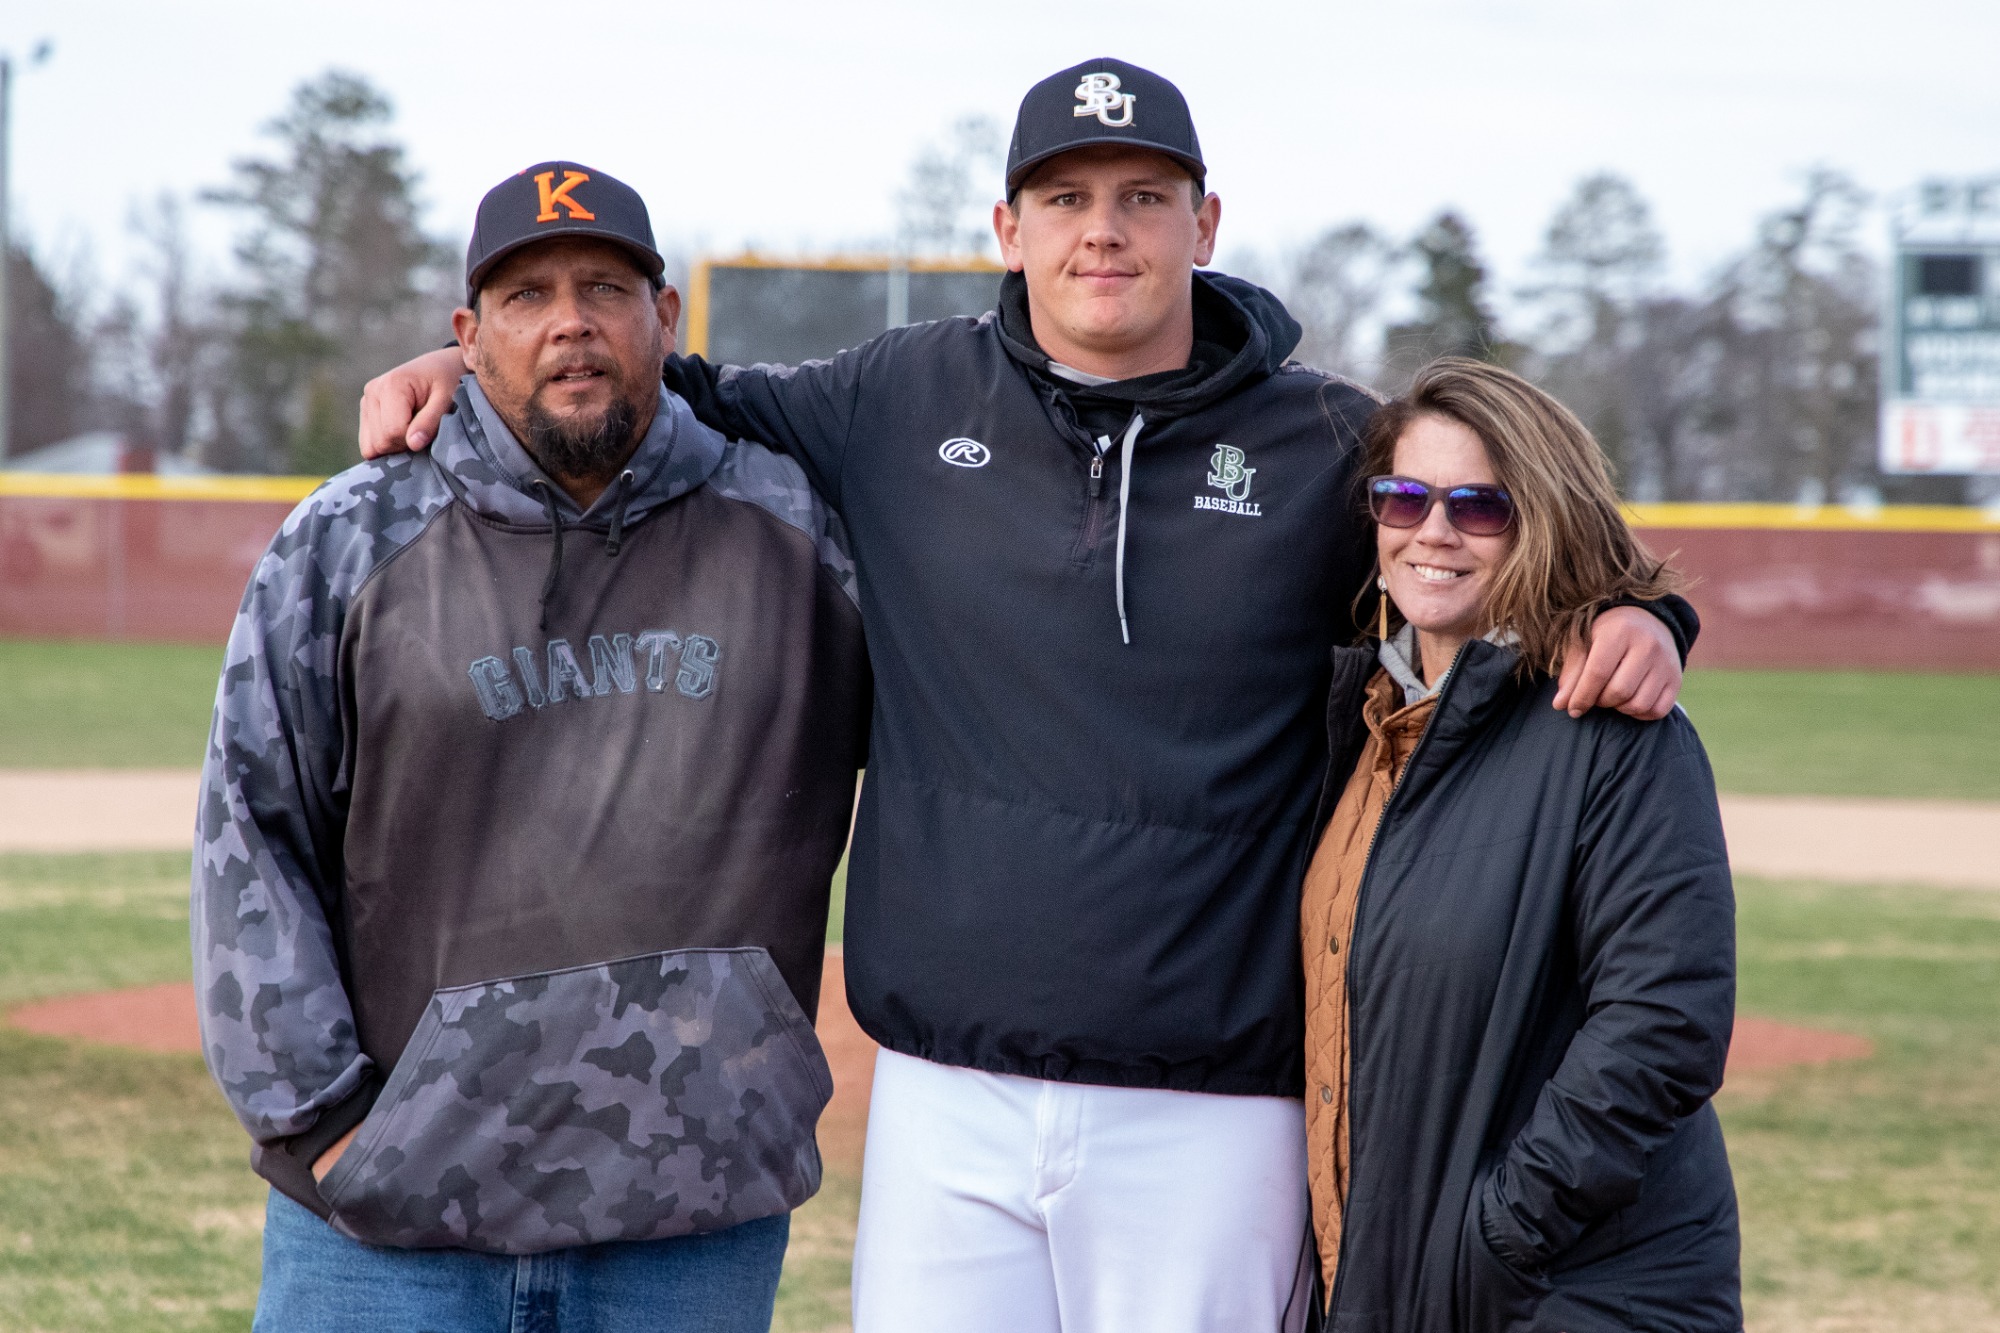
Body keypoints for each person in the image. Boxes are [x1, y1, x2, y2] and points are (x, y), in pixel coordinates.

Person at [358, 62, 1694, 1332]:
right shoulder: (896, 394)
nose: (1099, 233)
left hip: (1215, 1103)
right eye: (1064, 198)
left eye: (1141, 198)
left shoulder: (1324, 442)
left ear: (1205, 222)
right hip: (948, 1098)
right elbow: (651, 397)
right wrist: (460, 378)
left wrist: (1645, 608)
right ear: (1007, 225)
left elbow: (1496, 534)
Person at [192, 162, 868, 1332]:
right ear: (467, 333)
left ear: (665, 316)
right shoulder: (352, 538)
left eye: (606, 286)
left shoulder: (795, 524)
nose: (570, 320)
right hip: (387, 1228)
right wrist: (324, 1124)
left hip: (689, 1220)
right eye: (526, 296)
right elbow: (249, 835)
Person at [1301, 358, 1738, 1332]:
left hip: (1553, 1291)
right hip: (1396, 1277)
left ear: (1541, 520)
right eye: (1402, 498)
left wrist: (1495, 1235)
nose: (1433, 532)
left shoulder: (1612, 728)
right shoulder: (1361, 724)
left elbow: (1662, 1024)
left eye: (1480, 507)